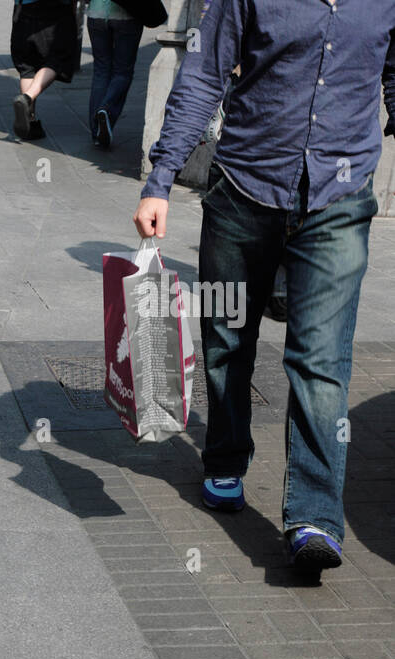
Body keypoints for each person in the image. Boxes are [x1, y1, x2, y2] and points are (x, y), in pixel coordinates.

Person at [133, 0, 395, 572]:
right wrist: (160, 180)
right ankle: (225, 458)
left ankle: (314, 519)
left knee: (321, 361)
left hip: (338, 198)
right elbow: (203, 72)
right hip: (245, 189)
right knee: (227, 336)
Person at [10, 0, 81, 140]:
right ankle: (27, 97)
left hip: (25, 10)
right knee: (57, 59)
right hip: (57, 12)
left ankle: (30, 122)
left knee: (27, 65)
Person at [86, 0, 143, 148]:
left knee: (100, 71)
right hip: (127, 16)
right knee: (123, 71)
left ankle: (95, 132)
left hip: (96, 14)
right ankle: (106, 108)